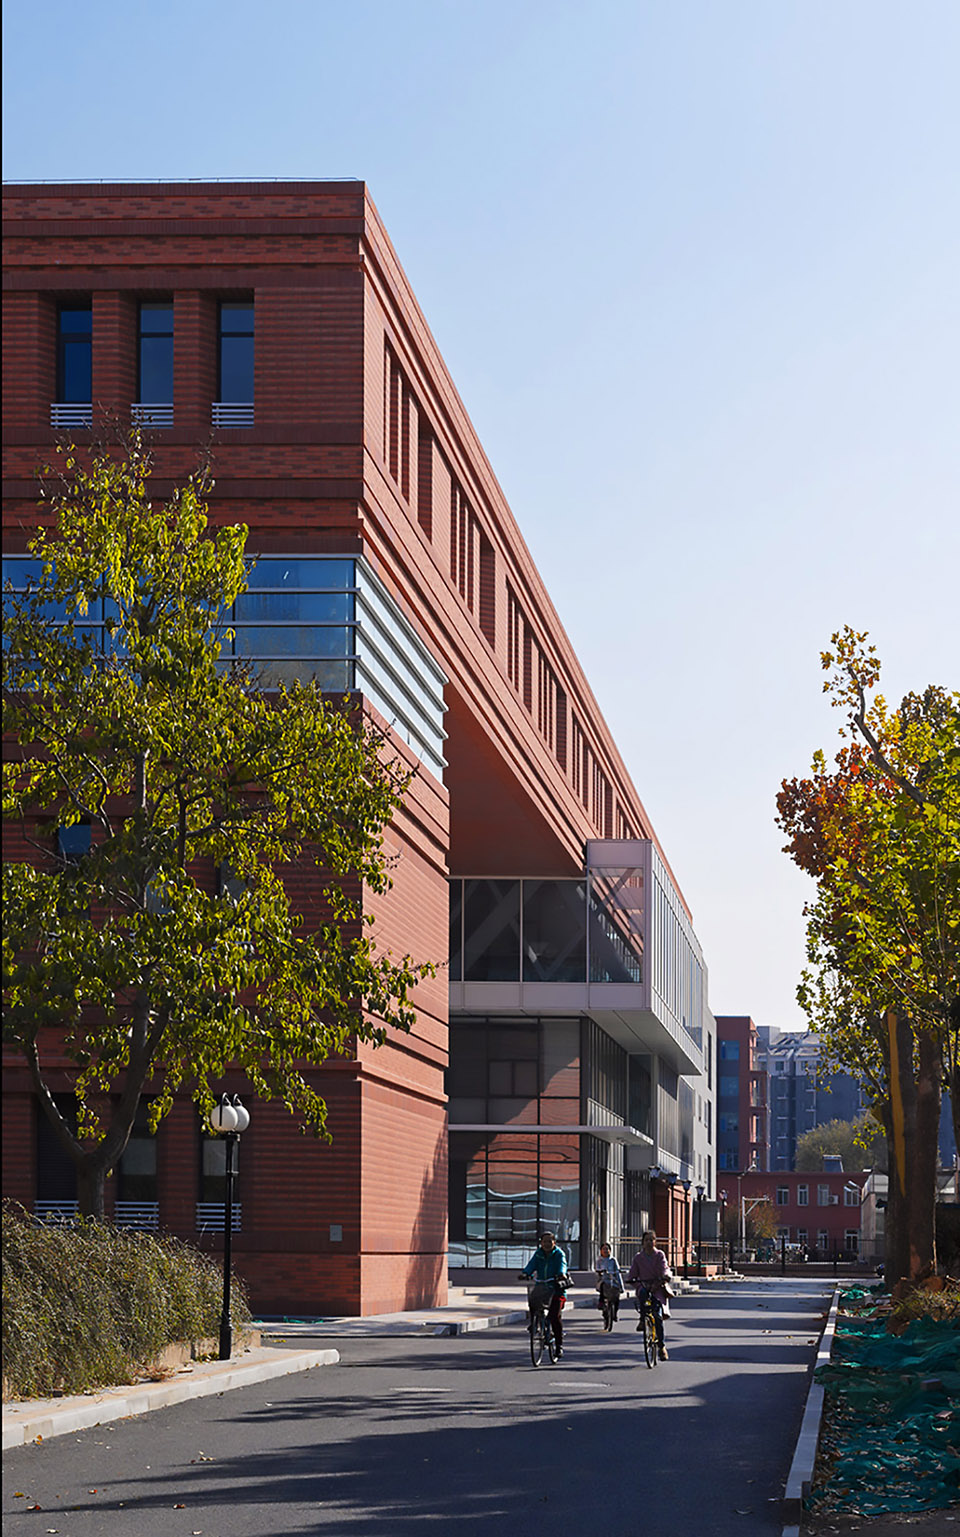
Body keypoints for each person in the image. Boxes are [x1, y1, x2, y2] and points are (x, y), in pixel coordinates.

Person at [521, 1231, 569, 1358]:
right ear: (541, 1243)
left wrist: (561, 1274)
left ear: (554, 1242)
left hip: (556, 1288)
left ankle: (559, 1346)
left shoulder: (559, 1254)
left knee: (554, 1316)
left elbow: (562, 1265)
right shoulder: (538, 1254)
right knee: (533, 1299)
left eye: (549, 1241)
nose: (547, 1244)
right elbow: (531, 1265)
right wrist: (526, 1273)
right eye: (544, 1242)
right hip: (542, 1286)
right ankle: (535, 1323)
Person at [627, 1230, 671, 1360]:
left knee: (657, 1316)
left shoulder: (659, 1255)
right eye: (647, 1240)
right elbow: (632, 1275)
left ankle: (661, 1346)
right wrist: (634, 1282)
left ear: (655, 1241)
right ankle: (642, 1319)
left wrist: (663, 1278)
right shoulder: (638, 1258)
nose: (649, 1242)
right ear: (642, 1242)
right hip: (644, 1286)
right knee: (643, 1294)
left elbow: (664, 1268)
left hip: (657, 1287)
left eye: (652, 1240)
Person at [596, 1242, 624, 1321]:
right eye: (603, 1249)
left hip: (613, 1280)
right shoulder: (599, 1260)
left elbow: (618, 1272)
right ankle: (601, 1304)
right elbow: (597, 1269)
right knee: (603, 1287)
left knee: (616, 1298)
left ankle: (614, 1314)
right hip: (604, 1280)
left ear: (610, 1251)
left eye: (607, 1249)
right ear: (601, 1251)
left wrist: (621, 1286)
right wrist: (600, 1271)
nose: (605, 1251)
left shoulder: (613, 1260)